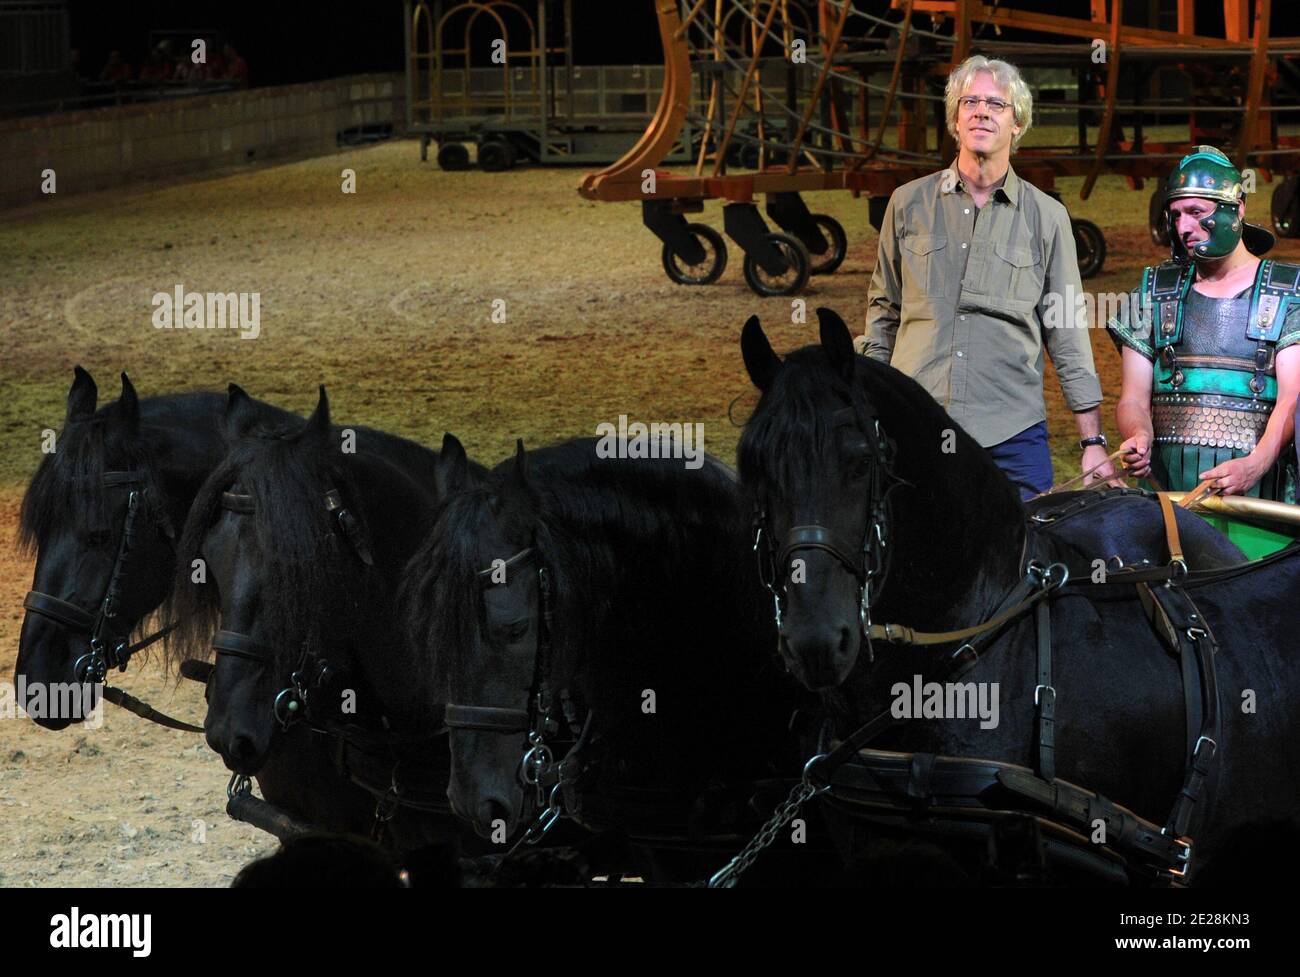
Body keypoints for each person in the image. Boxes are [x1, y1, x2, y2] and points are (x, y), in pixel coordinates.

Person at [858, 55, 1113, 499]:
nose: (981, 111)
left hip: (1011, 431)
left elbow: (1068, 330)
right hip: (915, 422)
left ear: (1017, 124)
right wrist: (869, 407)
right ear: (955, 120)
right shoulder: (906, 204)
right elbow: (883, 314)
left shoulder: (1048, 218)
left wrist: (1092, 441)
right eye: (969, 101)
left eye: (996, 104)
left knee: (1023, 559)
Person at [1108, 145, 1299, 500]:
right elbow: (1133, 397)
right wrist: (1139, 434)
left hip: (1264, 498)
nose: (1183, 227)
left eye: (1196, 212)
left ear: (1237, 209)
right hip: (1169, 496)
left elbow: (1292, 397)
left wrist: (1256, 464)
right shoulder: (1154, 292)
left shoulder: (1287, 292)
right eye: (1176, 215)